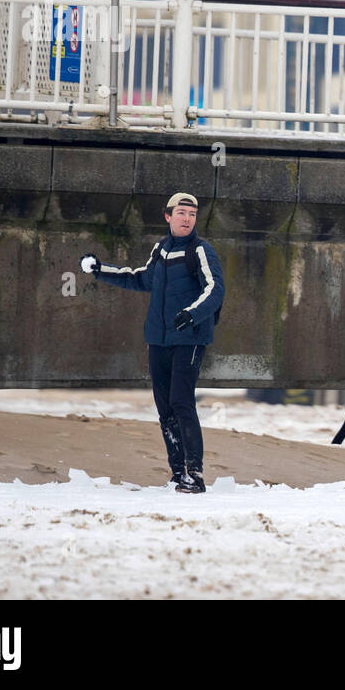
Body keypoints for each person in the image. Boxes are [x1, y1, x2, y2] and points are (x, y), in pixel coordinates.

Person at [80, 192, 225, 494]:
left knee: (182, 402)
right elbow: (140, 278)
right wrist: (101, 270)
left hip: (190, 337)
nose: (187, 219)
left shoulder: (201, 250)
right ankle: (177, 472)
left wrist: (192, 314)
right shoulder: (160, 249)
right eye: (182, 213)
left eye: (193, 215)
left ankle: (194, 474)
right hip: (158, 339)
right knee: (165, 408)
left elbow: (215, 290)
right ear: (168, 216)